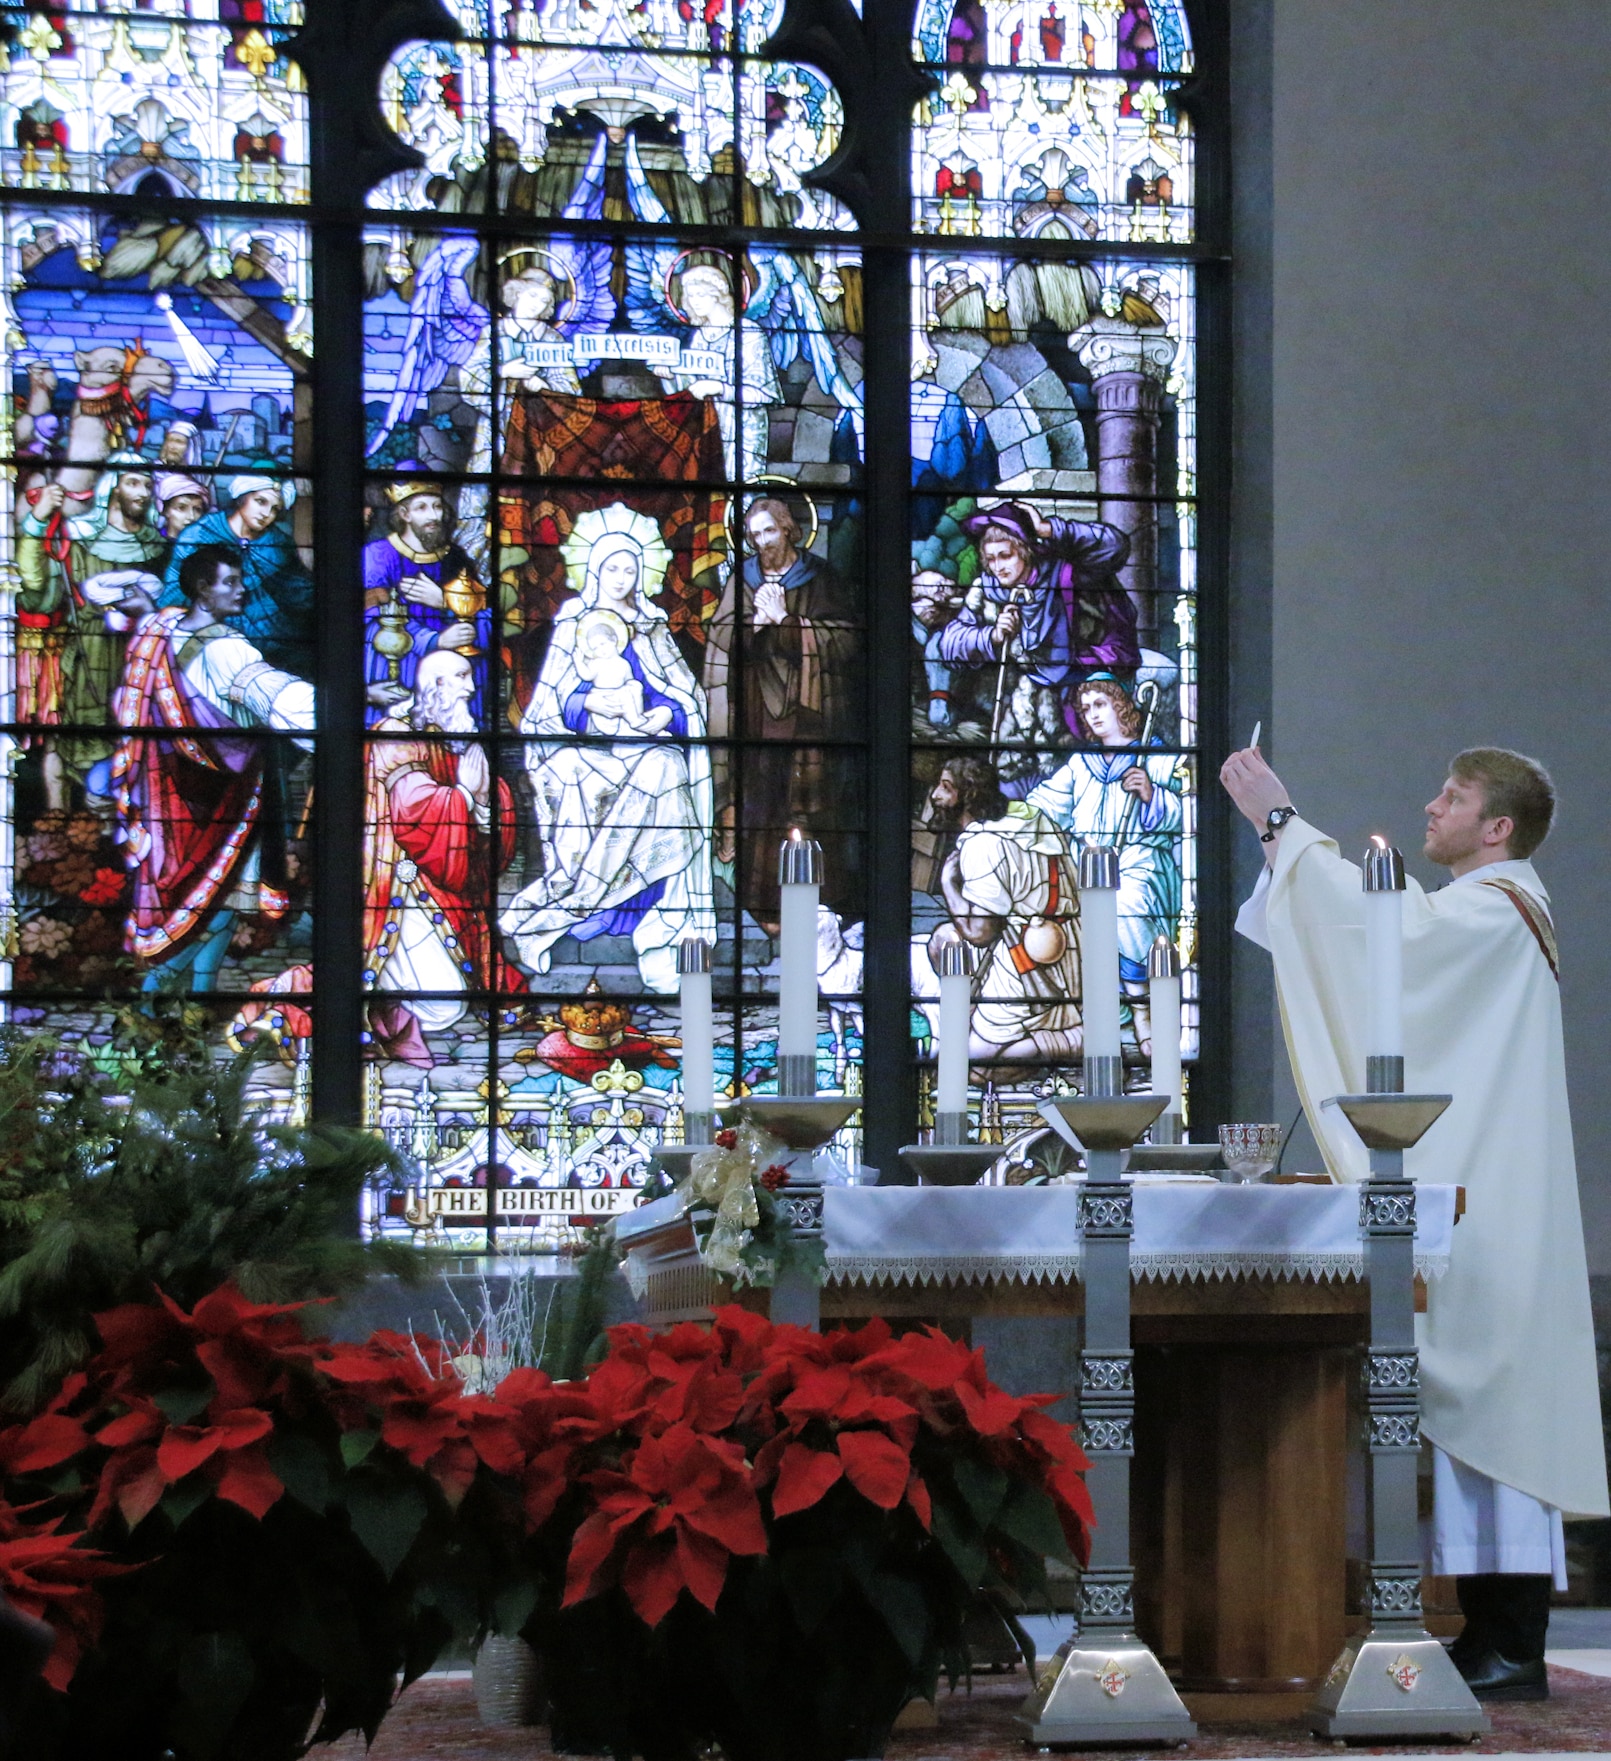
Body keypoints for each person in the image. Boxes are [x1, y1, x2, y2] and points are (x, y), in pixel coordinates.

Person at [1222, 742, 1609, 1701]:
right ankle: (1492, 1635)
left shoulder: (1498, 908)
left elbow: (1388, 935)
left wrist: (1282, 824)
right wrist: (1286, 845)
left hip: (1494, 1209)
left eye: (1453, 797)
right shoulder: (1484, 908)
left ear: (1497, 827)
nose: (1431, 807)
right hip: (1480, 1194)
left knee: (1496, 1414)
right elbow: (1385, 937)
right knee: (1482, 1415)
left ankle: (1510, 1642)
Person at [499, 503, 715, 995]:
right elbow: (547, 707)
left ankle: (637, 906)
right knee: (569, 766)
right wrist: (588, 703)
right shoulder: (574, 621)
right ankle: (588, 900)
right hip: (586, 750)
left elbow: (684, 697)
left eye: (630, 570)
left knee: (665, 765)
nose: (621, 578)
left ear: (642, 576)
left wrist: (667, 716)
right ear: (595, 570)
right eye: (612, 568)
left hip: (643, 746)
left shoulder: (653, 625)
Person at [112, 542, 313, 990]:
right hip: (223, 798)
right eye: (231, 582)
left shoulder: (162, 630)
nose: (242, 590)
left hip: (168, 793)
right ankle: (152, 1000)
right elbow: (277, 697)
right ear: (203, 590)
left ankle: (198, 999)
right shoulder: (227, 649)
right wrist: (347, 709)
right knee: (217, 898)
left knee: (217, 899)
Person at [704, 496, 861, 925]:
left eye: (769, 531)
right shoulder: (743, 578)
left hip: (811, 715)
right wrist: (754, 627)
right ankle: (764, 906)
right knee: (761, 803)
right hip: (755, 714)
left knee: (807, 806)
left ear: (789, 529)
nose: (763, 542)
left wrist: (788, 622)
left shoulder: (820, 578)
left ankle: (819, 912)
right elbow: (720, 644)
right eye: (754, 535)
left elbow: (846, 640)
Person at [364, 649, 524, 1066]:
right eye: (462, 677)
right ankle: (377, 982)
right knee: (443, 1007)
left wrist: (486, 799)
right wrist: (466, 795)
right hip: (403, 889)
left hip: (447, 884)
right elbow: (412, 810)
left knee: (448, 1004)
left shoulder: (452, 737)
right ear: (436, 684)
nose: (471, 688)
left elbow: (482, 813)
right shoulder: (396, 733)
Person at [931, 500, 1139, 789]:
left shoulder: (1065, 573)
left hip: (1079, 698)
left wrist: (1049, 529)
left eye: (1005, 556)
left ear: (1025, 550)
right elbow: (949, 643)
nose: (998, 567)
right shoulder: (987, 590)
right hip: (1017, 713)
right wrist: (991, 636)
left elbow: (1115, 546)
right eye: (990, 559)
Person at [1028, 674, 1182, 1052]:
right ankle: (1082, 1017)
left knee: (1126, 906)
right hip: (1088, 863)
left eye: (1100, 705)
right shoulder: (1082, 763)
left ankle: (1143, 1013)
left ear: (1121, 705)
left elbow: (1185, 813)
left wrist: (1151, 794)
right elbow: (1045, 804)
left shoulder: (1157, 756)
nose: (1093, 715)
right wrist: (1010, 817)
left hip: (1140, 860)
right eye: (1086, 709)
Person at [13, 458, 166, 808]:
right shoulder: (80, 542)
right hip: (88, 664)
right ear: (112, 488)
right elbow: (36, 592)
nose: (143, 492)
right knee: (79, 756)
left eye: (147, 485)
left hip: (144, 665)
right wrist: (38, 521)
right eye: (133, 483)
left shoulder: (159, 549)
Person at [926, 754, 1082, 1062]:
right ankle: (980, 1016)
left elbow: (981, 932)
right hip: (1072, 949)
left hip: (1030, 964)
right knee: (943, 941)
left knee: (969, 1065)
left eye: (946, 788)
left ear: (969, 796)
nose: (935, 796)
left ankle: (1076, 1041)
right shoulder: (1029, 819)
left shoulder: (983, 843)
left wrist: (948, 883)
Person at [159, 474, 314, 674]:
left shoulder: (278, 543)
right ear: (242, 498)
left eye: (275, 508)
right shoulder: (199, 534)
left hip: (277, 648)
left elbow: (299, 592)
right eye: (260, 502)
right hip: (210, 646)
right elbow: (174, 594)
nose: (266, 513)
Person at [361, 479, 487, 722]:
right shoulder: (377, 556)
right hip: (400, 671)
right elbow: (372, 619)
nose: (433, 516)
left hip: (453, 680)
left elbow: (486, 611)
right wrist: (434, 640)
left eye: (437, 507)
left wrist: (445, 601)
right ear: (404, 514)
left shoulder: (456, 559)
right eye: (422, 508)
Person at [573, 609, 674, 735]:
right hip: (604, 696)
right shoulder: (596, 663)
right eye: (595, 648)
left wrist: (634, 686)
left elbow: (629, 680)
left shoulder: (624, 663)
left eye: (602, 644)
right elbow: (587, 676)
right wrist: (578, 663)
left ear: (614, 640)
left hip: (620, 694)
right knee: (626, 694)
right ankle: (634, 721)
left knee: (635, 686)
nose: (600, 650)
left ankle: (638, 715)